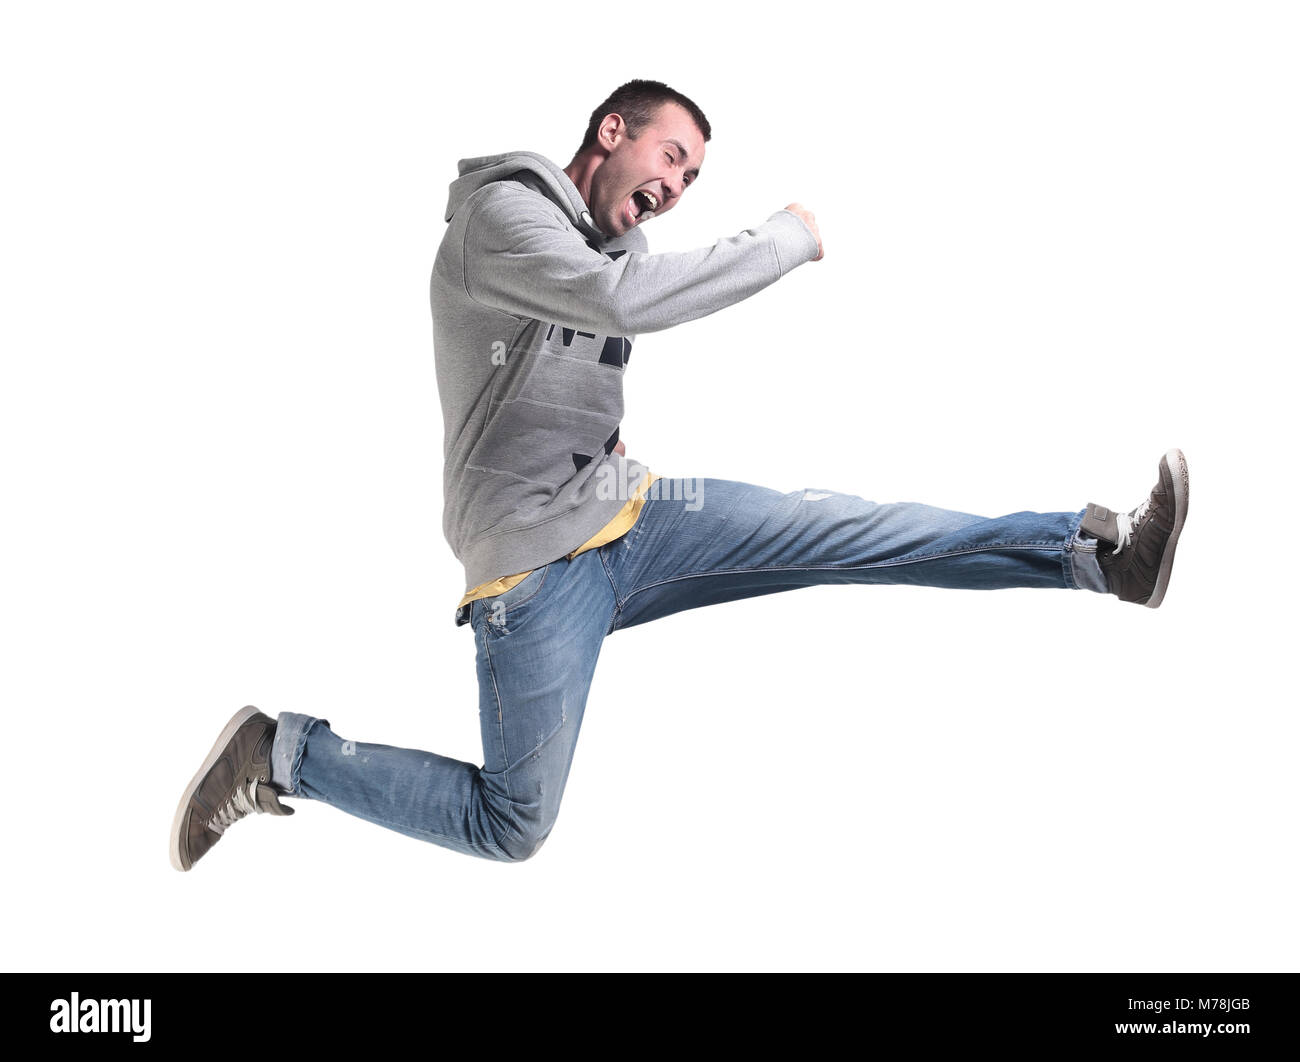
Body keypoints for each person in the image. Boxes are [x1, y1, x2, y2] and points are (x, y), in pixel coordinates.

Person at [170, 79, 1189, 870]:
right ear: (609, 132)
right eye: (672, 156)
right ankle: (280, 754)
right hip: (535, 575)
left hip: (641, 517)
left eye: (695, 177)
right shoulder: (500, 218)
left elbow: (574, 357)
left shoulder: (601, 245)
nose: (676, 185)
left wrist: (601, 445)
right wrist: (784, 238)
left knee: (848, 529)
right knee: (513, 824)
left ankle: (1101, 557)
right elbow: (623, 303)